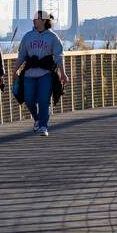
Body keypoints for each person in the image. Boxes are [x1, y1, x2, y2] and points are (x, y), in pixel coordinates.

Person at [15, 9, 68, 137]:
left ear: (44, 20)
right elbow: (21, 54)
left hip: (46, 73)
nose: (34, 20)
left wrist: (63, 73)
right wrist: (15, 70)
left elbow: (59, 56)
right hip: (29, 72)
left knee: (44, 100)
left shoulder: (53, 37)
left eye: (36, 18)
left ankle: (44, 126)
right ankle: (37, 119)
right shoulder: (28, 36)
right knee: (28, 99)